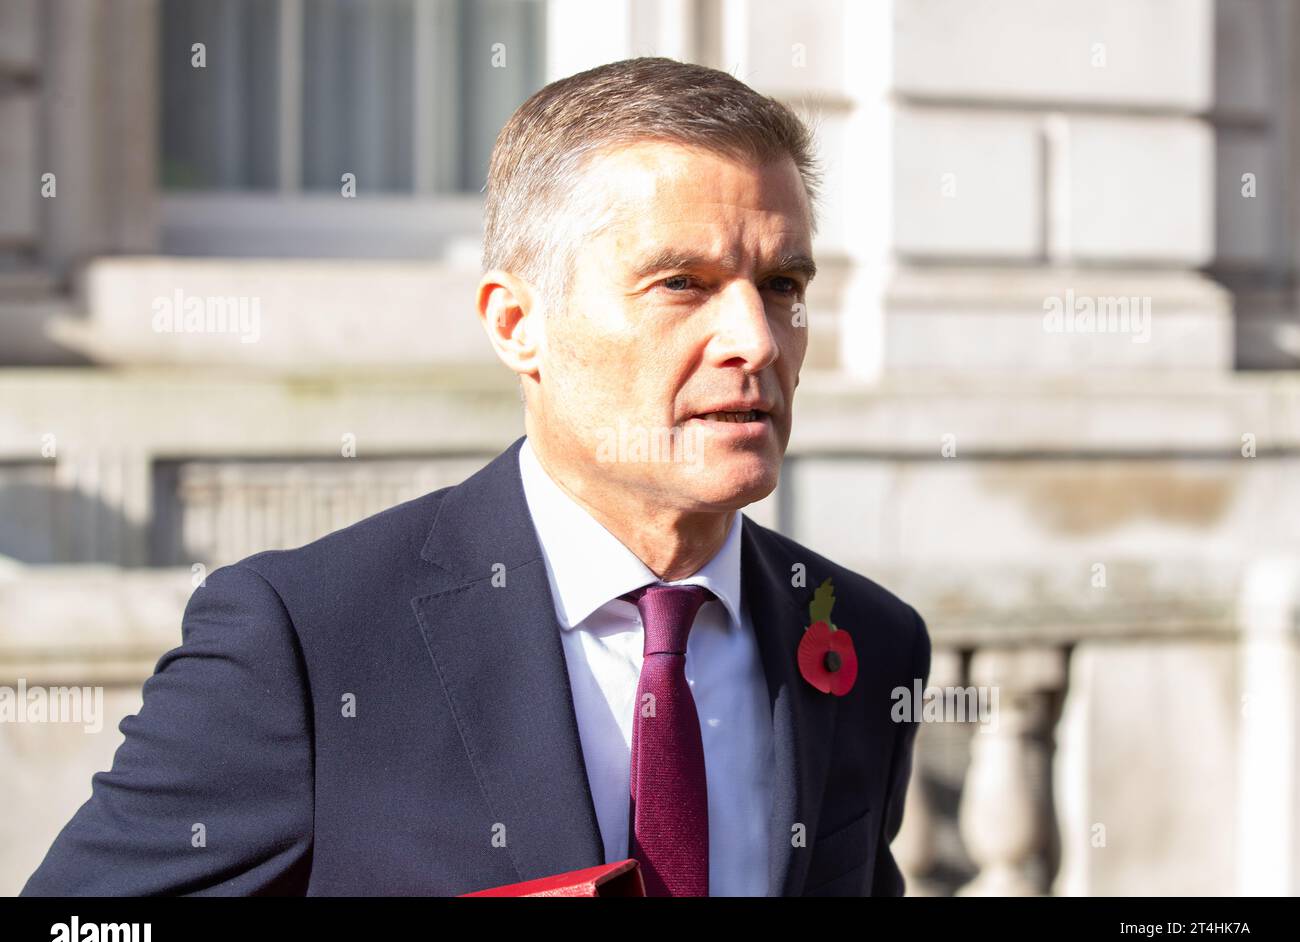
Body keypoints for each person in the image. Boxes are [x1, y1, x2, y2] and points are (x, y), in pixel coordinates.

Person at [22, 56, 930, 897]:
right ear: (516, 323)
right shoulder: (304, 643)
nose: (758, 340)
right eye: (683, 284)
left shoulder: (869, 642)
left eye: (782, 285)